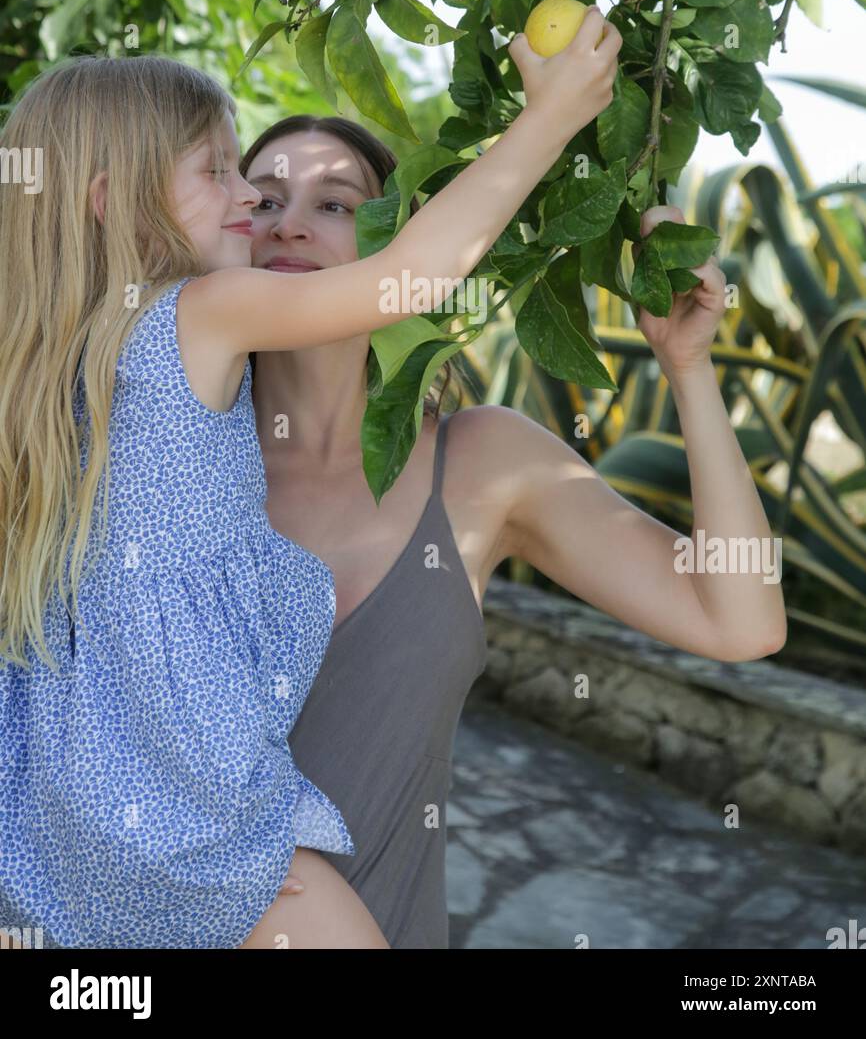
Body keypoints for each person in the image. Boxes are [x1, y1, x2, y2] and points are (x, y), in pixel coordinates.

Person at [0, 12, 621, 948]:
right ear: (114, 203)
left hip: (62, 823)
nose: (247, 194)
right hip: (197, 818)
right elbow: (406, 280)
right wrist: (550, 119)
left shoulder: (54, 368)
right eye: (215, 171)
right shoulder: (198, 313)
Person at [236, 106, 788, 947]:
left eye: (336, 204)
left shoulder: (484, 464)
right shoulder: (169, 464)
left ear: (409, 249)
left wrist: (689, 368)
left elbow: (740, 618)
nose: (289, 227)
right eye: (264, 201)